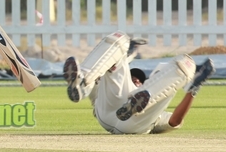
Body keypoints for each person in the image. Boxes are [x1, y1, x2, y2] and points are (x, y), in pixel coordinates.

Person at [63, 31, 215, 135]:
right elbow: (112, 68)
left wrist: (193, 91)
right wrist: (125, 53)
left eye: (139, 80)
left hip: (134, 123)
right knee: (120, 38)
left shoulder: (158, 115)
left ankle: (137, 103)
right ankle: (80, 82)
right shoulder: (107, 91)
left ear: (144, 83)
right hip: (109, 111)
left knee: (185, 64)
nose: (136, 79)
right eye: (133, 78)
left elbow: (175, 121)